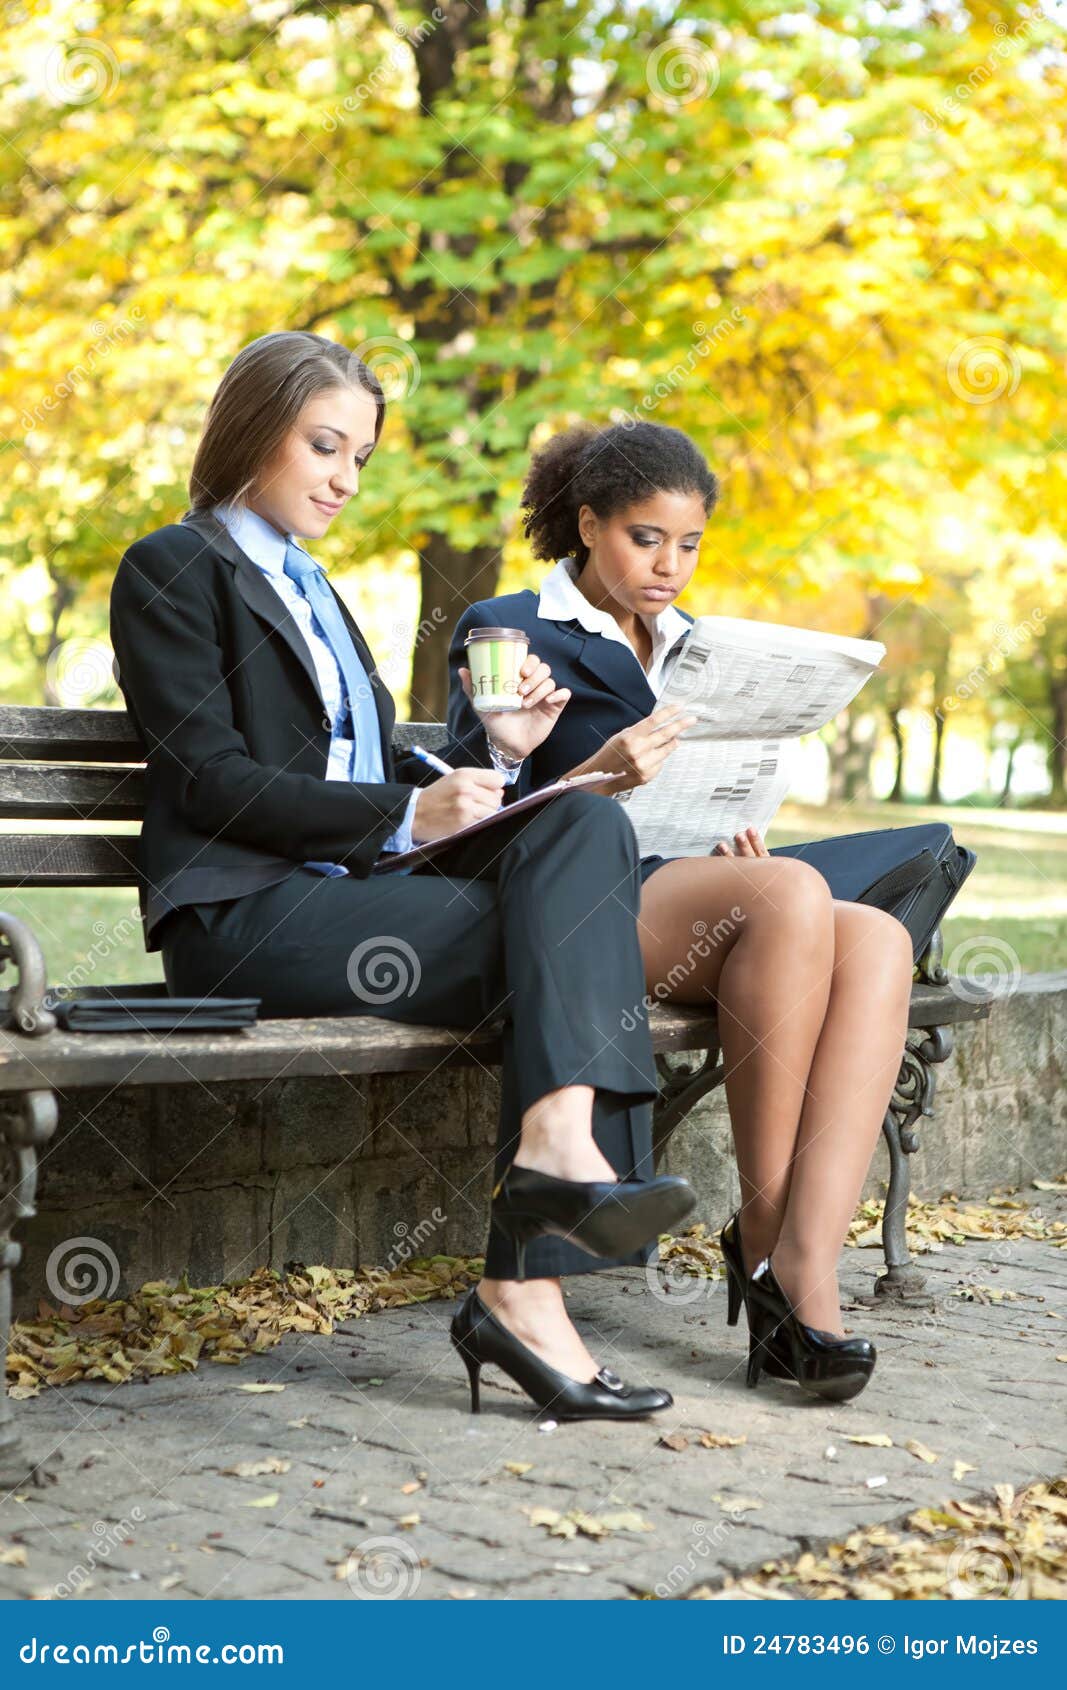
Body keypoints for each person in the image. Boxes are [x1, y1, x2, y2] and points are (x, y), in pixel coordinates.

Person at [109, 334, 697, 1424]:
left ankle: (549, 1173)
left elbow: (372, 766)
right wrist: (397, 811)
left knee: (580, 827)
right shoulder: (174, 568)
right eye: (324, 446)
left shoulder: (317, 590)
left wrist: (503, 755)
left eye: (361, 458)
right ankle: (524, 1278)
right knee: (572, 944)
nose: (343, 477)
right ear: (251, 429)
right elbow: (212, 781)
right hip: (248, 915)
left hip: (354, 898)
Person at [447, 421, 917, 1401]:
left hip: (686, 887)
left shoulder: (700, 648)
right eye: (643, 538)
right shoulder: (502, 625)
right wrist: (589, 772)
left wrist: (727, 841)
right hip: (570, 911)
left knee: (875, 936)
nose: (668, 566)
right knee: (793, 891)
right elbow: (472, 809)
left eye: (688, 543)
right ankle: (762, 1237)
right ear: (587, 524)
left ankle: (802, 1264)